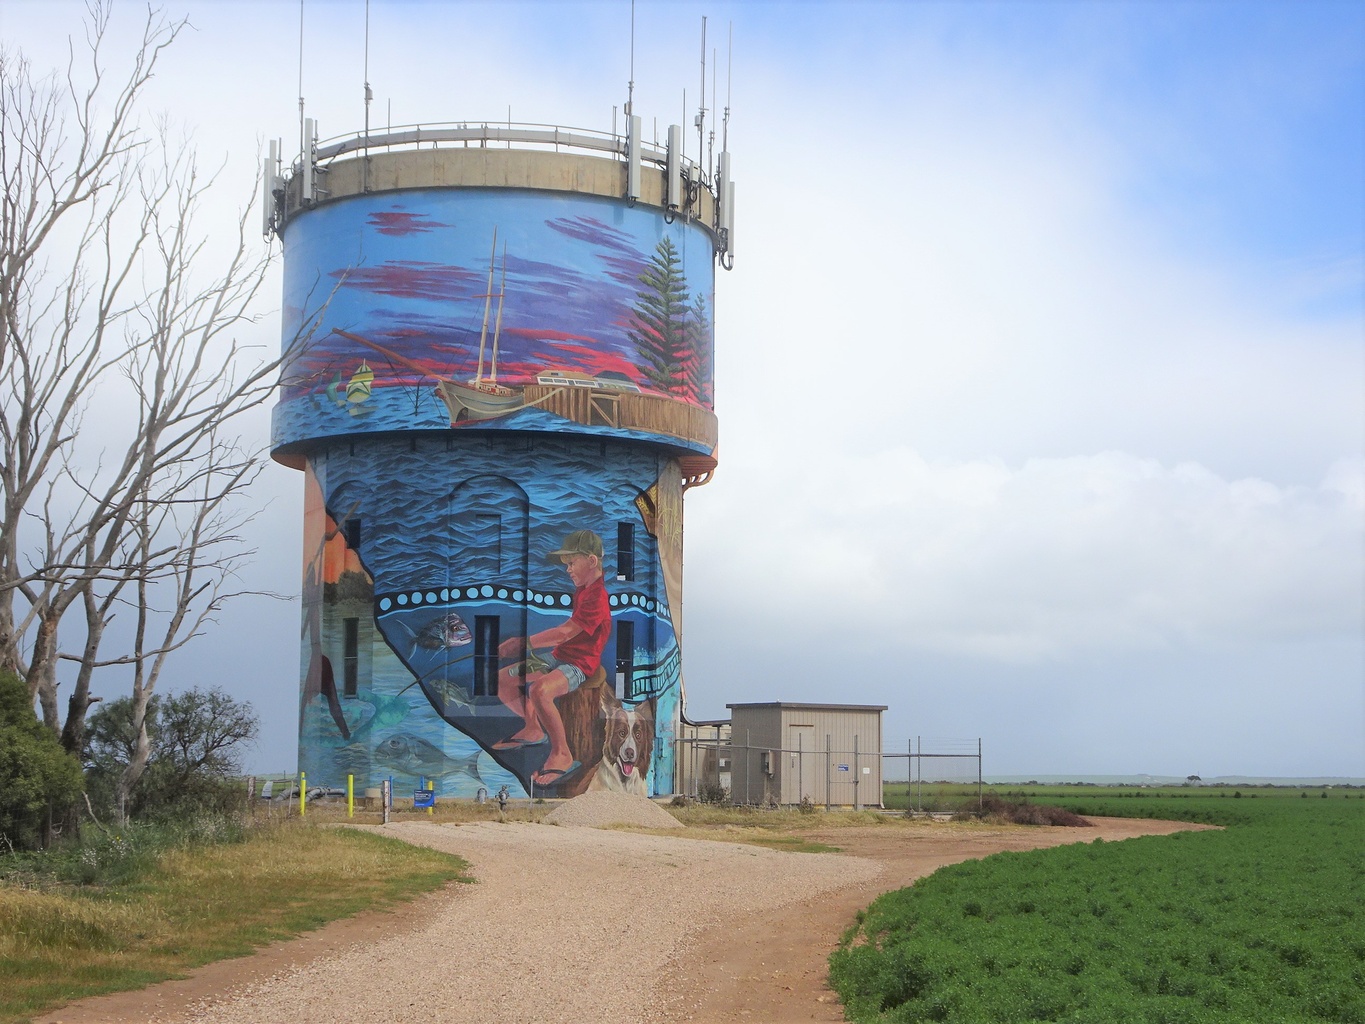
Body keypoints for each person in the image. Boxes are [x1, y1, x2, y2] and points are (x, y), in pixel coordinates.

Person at [493, 529, 611, 787]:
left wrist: (522, 644)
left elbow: (565, 632)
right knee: (503, 679)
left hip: (579, 666)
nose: (568, 570)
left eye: (572, 563)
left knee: (540, 691)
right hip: (559, 658)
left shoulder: (597, 597)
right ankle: (533, 728)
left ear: (591, 561)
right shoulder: (583, 589)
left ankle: (563, 754)